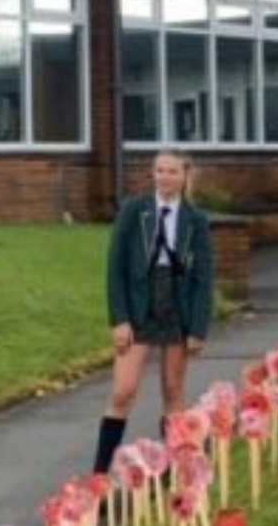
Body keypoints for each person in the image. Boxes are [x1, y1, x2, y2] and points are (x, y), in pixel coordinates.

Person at [91, 149, 214, 471]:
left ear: (185, 175)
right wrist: (119, 319)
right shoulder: (134, 211)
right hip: (138, 305)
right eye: (159, 170)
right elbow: (115, 269)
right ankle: (100, 476)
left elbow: (203, 278)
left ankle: (174, 471)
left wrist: (198, 328)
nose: (164, 177)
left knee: (173, 390)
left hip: (177, 305)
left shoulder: (196, 220)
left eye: (172, 171)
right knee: (123, 391)